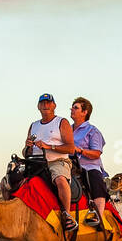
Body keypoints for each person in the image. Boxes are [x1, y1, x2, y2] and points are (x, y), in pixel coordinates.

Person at [25, 93, 78, 232]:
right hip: (35, 163)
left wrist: (49, 146)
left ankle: (67, 215)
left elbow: (71, 148)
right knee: (9, 180)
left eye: (48, 103)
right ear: (38, 106)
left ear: (54, 105)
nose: (45, 106)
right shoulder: (33, 125)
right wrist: (28, 147)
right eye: (42, 103)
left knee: (60, 180)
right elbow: (25, 153)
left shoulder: (61, 122)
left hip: (57, 161)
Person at [69, 97, 110, 227]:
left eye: (76, 107)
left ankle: (98, 216)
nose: (72, 109)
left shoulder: (92, 131)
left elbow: (96, 153)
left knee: (95, 178)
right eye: (72, 107)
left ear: (85, 112)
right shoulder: (66, 130)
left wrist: (79, 150)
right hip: (68, 164)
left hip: (88, 165)